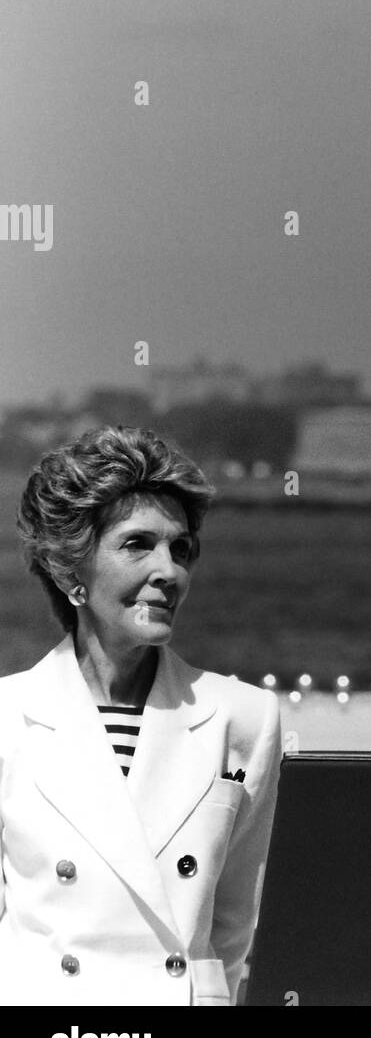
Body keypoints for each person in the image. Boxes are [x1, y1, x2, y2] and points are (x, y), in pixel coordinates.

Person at [0, 425, 282, 1005]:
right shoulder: (8, 716)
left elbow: (235, 921)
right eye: (138, 544)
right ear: (70, 568)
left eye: (181, 549)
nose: (170, 570)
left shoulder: (244, 718)